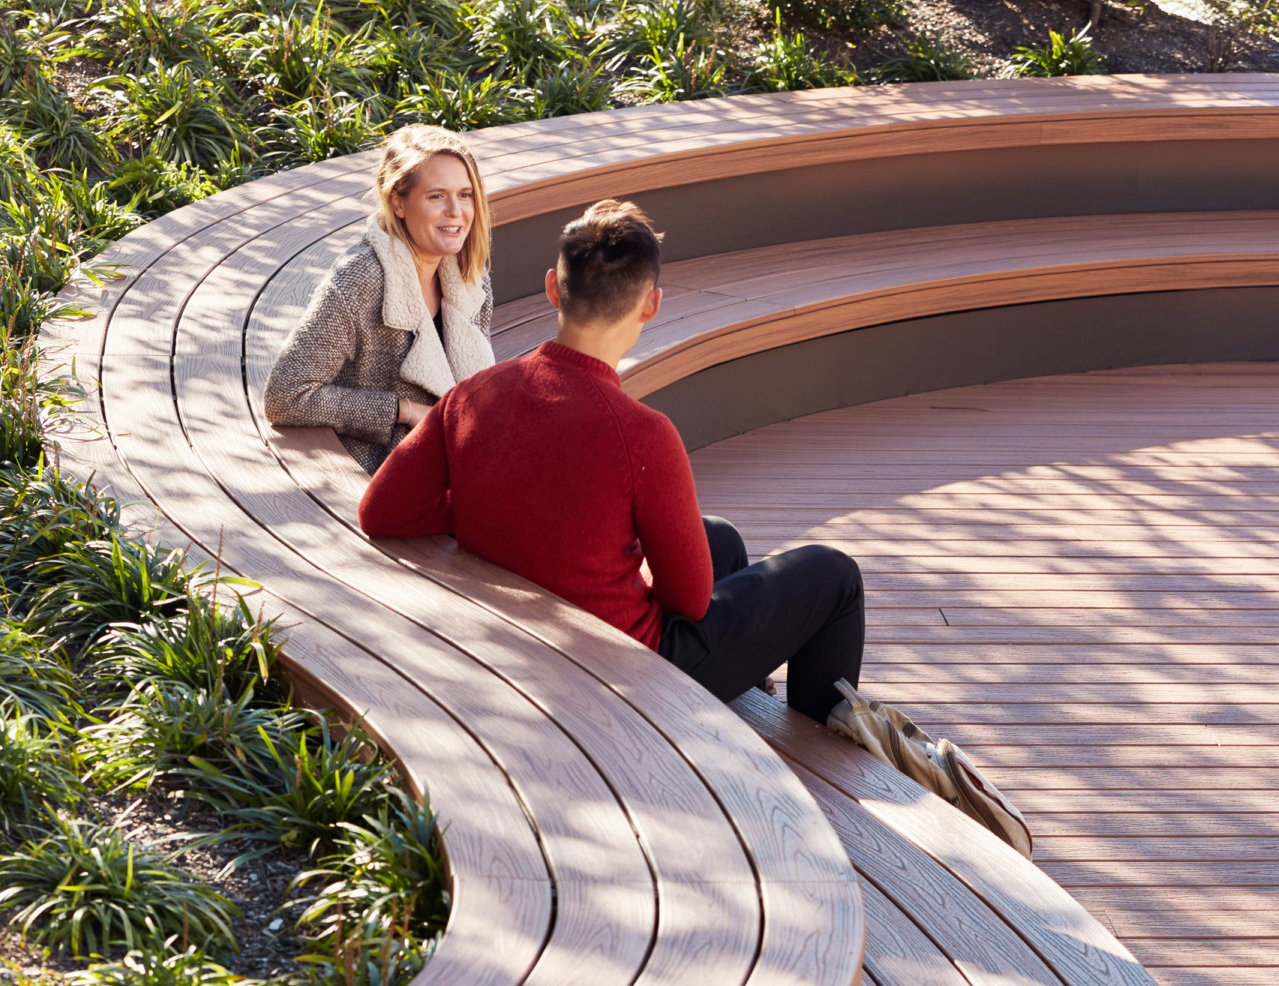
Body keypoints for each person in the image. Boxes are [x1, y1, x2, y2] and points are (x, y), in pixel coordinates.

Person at [356, 196, 865, 721]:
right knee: (833, 574)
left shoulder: (473, 394)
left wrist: (491, 503)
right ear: (651, 305)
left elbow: (380, 509)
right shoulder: (643, 434)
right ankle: (824, 744)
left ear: (552, 287)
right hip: (627, 673)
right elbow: (690, 604)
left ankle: (743, 702)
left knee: (721, 539)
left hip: (539, 634)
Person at [264, 122, 495, 476]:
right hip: (381, 470)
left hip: (451, 455)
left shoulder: (471, 279)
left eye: (465, 194)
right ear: (398, 202)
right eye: (436, 196)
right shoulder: (360, 280)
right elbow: (286, 394)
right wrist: (403, 410)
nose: (455, 211)